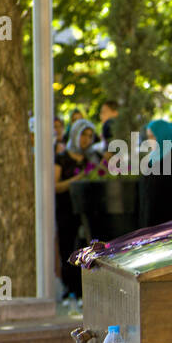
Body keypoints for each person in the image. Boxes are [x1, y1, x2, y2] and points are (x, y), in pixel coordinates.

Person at [55, 118, 102, 297]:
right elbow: (56, 186)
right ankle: (70, 288)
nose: (86, 140)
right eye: (83, 135)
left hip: (88, 212)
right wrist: (79, 178)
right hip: (67, 211)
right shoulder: (61, 158)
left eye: (90, 136)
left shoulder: (93, 157)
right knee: (68, 249)